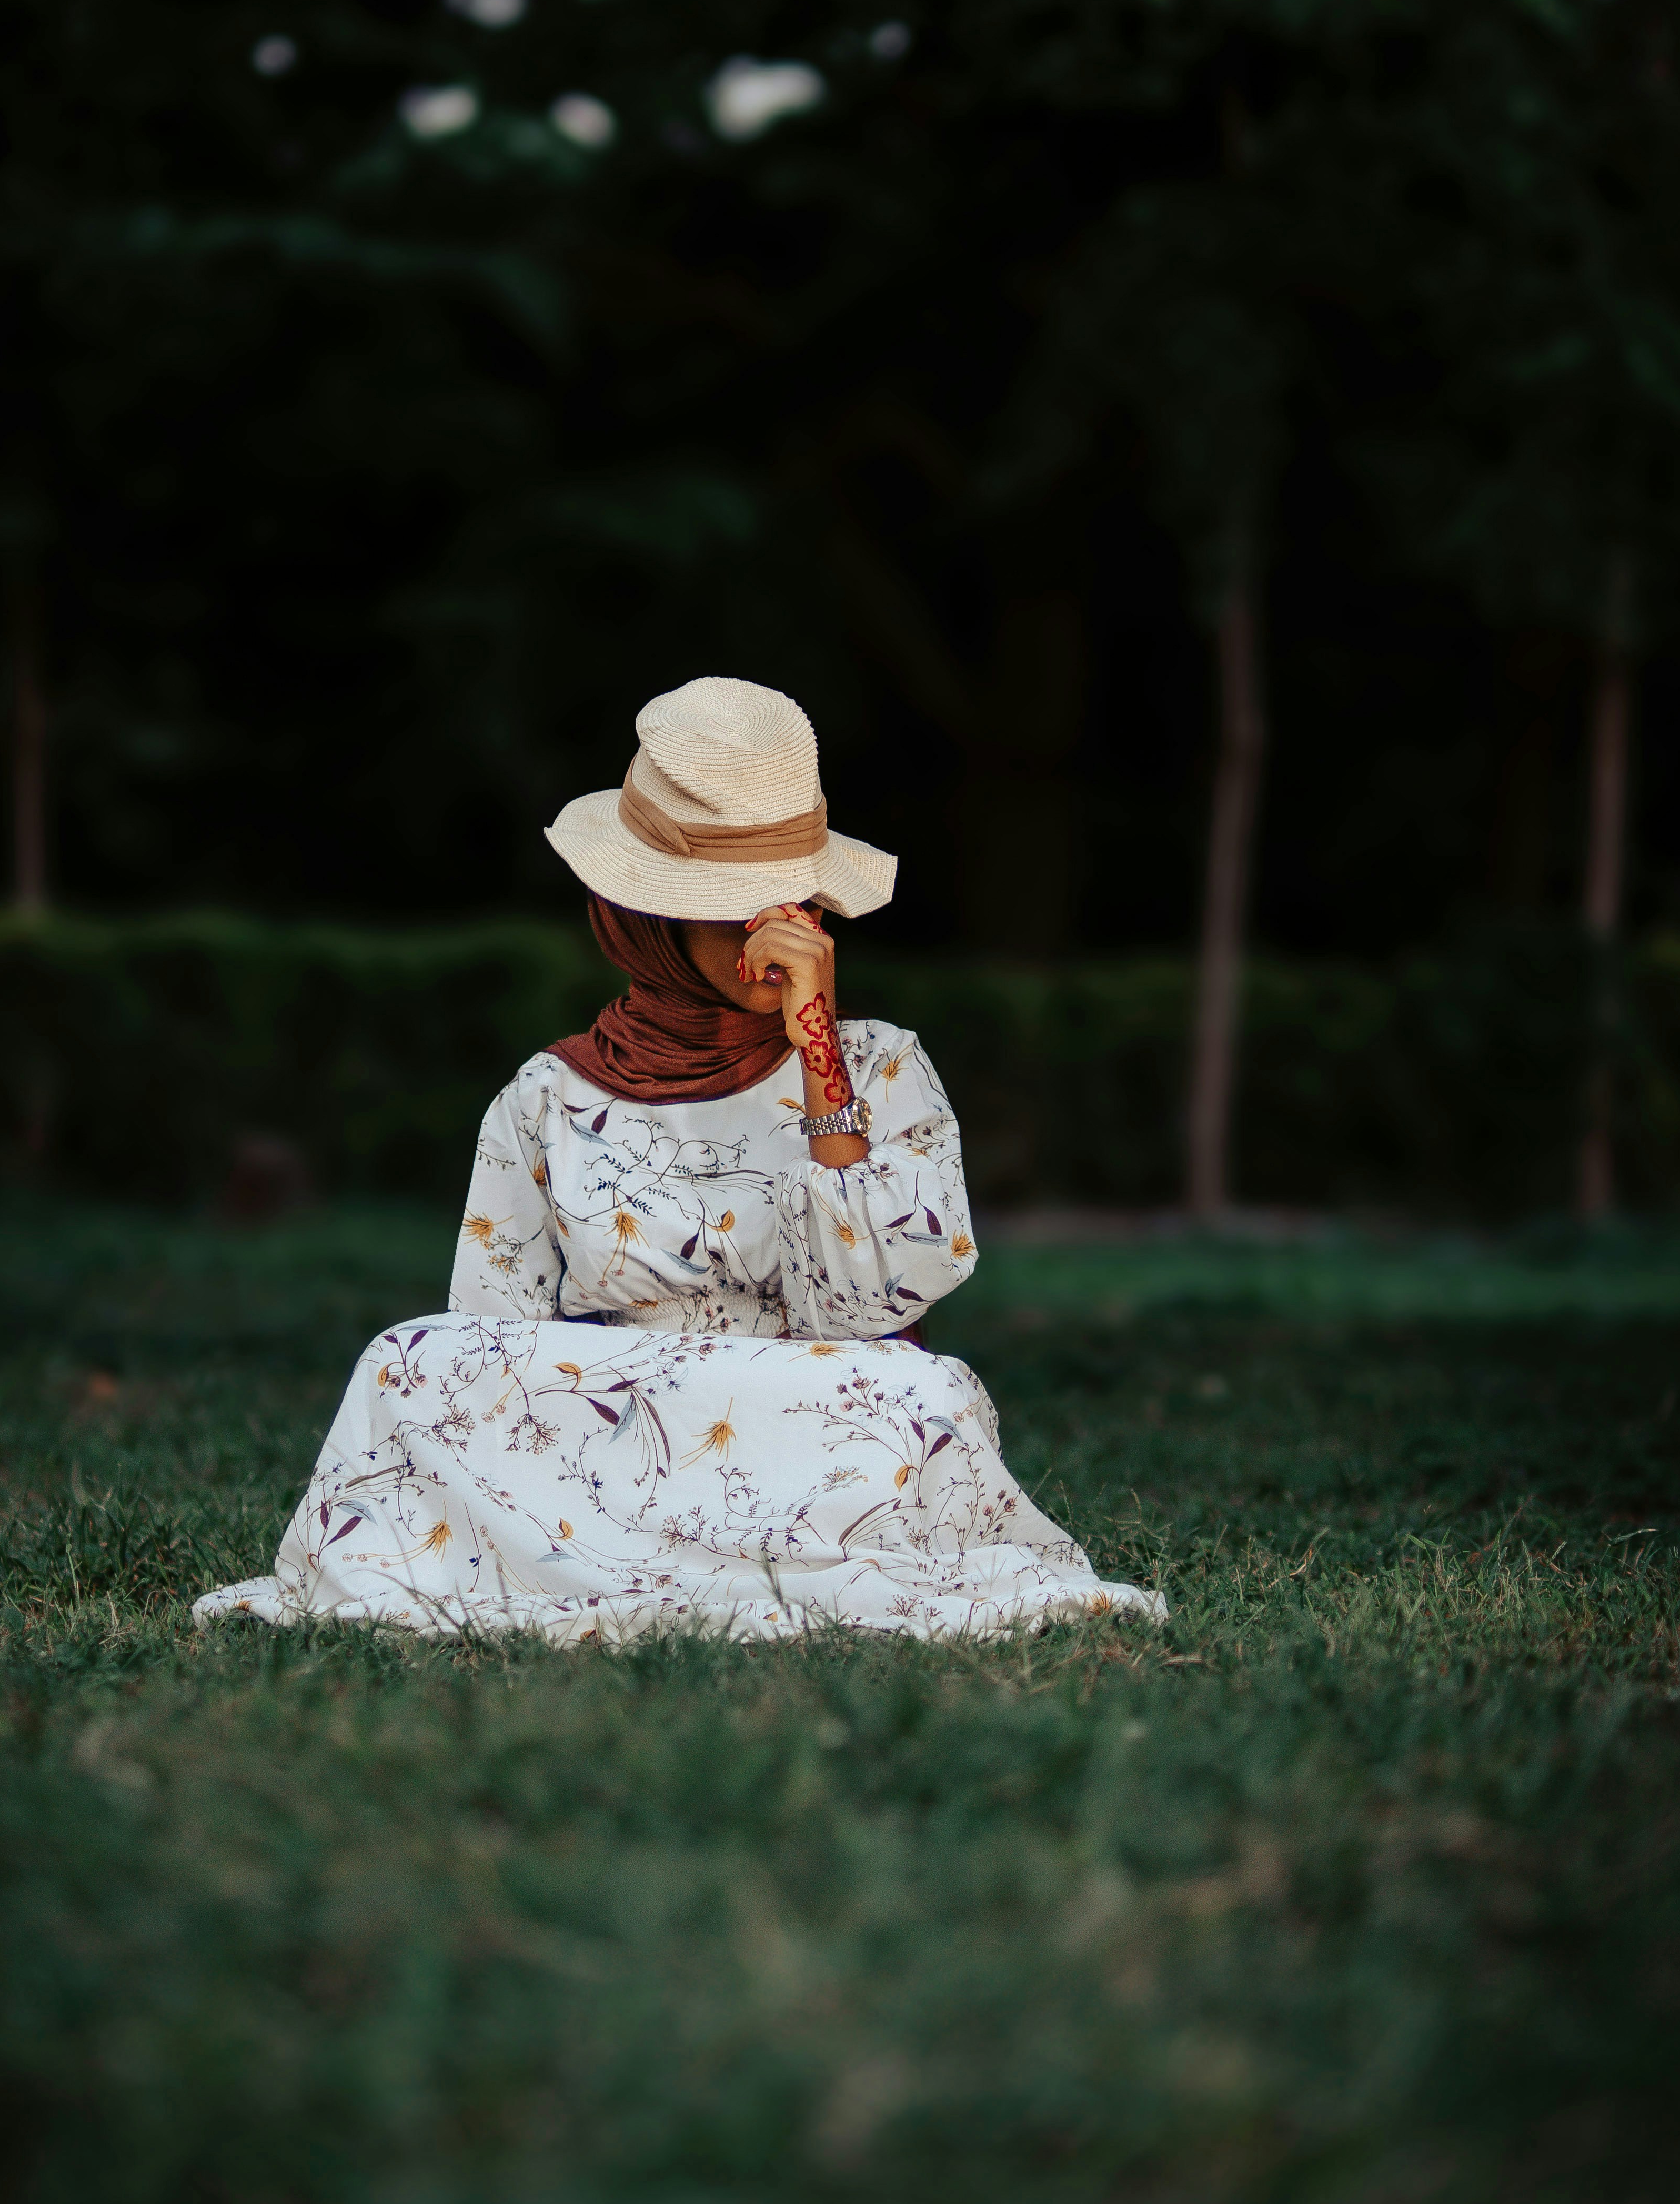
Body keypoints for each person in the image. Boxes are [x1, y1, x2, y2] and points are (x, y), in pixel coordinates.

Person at [194, 677, 1164, 1642]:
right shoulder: (549, 1095)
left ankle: (682, 1563)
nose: (773, 933)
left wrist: (819, 1053)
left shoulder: (881, 1066)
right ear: (646, 916)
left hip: (812, 1429)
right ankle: (611, 1556)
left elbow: (870, 1318)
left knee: (927, 1394)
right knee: (410, 1360)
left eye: (791, 898)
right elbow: (496, 1347)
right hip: (606, 1445)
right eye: (733, 905)